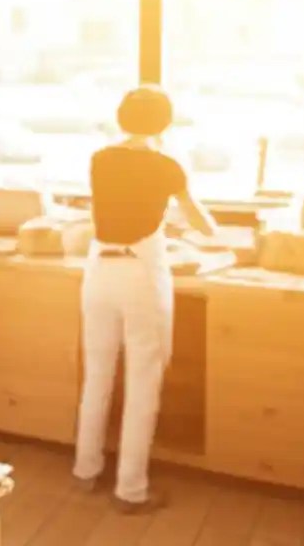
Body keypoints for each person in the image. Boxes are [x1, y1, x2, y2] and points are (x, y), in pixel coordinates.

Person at [71, 84, 217, 514]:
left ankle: (85, 470)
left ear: (121, 117)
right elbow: (202, 223)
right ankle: (131, 490)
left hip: (98, 272)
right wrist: (203, 221)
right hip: (139, 274)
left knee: (97, 375)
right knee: (143, 381)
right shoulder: (166, 165)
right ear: (166, 123)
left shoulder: (101, 159)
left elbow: (120, 200)